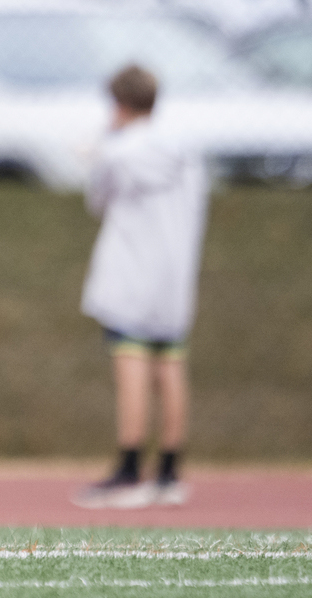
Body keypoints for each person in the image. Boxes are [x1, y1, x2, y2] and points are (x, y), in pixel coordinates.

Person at [73, 64, 207, 509]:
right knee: (170, 366)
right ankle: (169, 471)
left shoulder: (119, 152)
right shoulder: (186, 153)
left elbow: (99, 200)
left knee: (132, 365)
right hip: (175, 277)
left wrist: (101, 147)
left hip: (131, 274)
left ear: (117, 103)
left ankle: (130, 469)